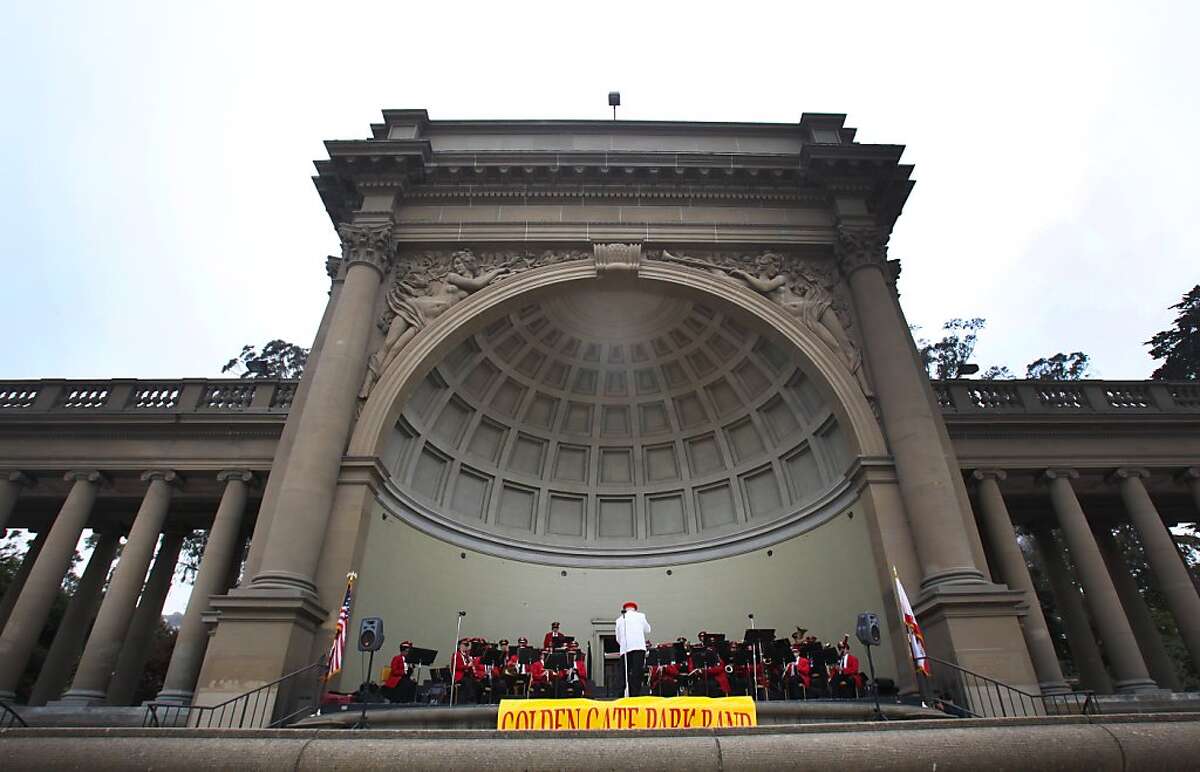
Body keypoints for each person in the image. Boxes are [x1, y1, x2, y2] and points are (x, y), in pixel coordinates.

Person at [615, 601, 650, 697]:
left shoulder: (620, 619)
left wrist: (624, 644)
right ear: (635, 609)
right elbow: (648, 629)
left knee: (624, 672)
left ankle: (620, 695)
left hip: (625, 649)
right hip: (638, 647)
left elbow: (617, 638)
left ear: (625, 609)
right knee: (636, 672)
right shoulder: (641, 616)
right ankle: (634, 694)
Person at [451, 638, 481, 704]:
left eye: (467, 645)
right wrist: (468, 666)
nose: (466, 646)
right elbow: (457, 666)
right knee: (468, 682)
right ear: (460, 646)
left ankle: (476, 700)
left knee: (477, 683)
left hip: (467, 675)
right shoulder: (456, 655)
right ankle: (469, 700)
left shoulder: (467, 656)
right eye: (465, 644)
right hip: (460, 676)